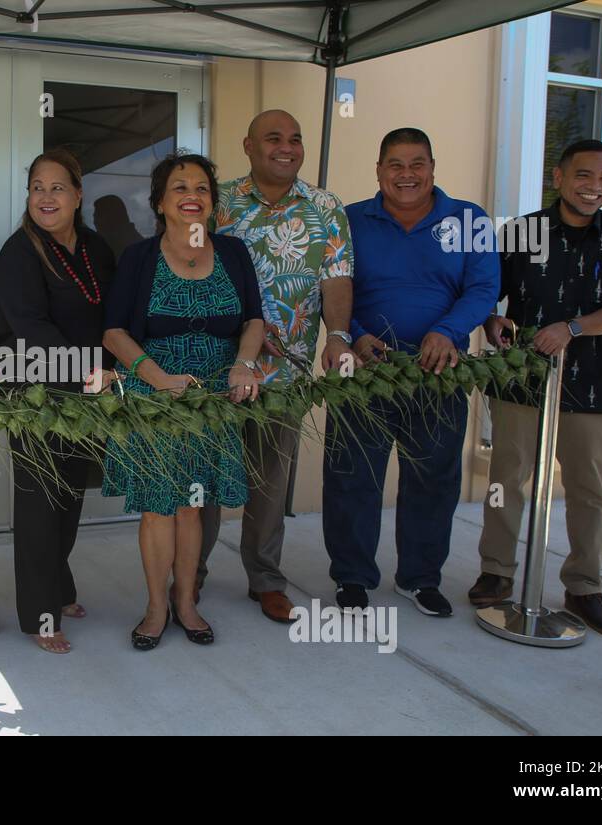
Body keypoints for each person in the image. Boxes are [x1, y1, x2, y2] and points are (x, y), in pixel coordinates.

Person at [471, 140, 602, 636]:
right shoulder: (524, 232)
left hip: (592, 382)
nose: (595, 187)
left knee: (589, 491)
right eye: (584, 176)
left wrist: (572, 328)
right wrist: (492, 323)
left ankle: (584, 586)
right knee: (506, 481)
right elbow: (490, 295)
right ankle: (497, 572)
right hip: (520, 380)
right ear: (558, 178)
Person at [326, 128, 499, 617]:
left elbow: (483, 288)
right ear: (379, 170)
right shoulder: (349, 220)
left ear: (433, 168)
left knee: (433, 478)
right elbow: (335, 287)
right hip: (365, 371)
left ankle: (420, 578)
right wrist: (355, 335)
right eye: (395, 164)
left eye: (417, 163)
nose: (407, 174)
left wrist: (447, 331)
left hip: (439, 372)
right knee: (351, 476)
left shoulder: (470, 220)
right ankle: (353, 576)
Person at [102, 151, 266, 650]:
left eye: (201, 188)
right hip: (156, 398)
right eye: (179, 187)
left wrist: (244, 364)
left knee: (193, 507)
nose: (191, 196)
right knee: (158, 508)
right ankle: (155, 608)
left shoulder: (234, 253)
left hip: (212, 397)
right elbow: (113, 332)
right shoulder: (139, 257)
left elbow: (254, 320)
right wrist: (157, 378)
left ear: (213, 203)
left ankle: (186, 602)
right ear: (159, 202)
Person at [199, 109, 356, 624]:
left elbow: (337, 277)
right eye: (273, 138)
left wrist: (337, 334)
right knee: (207, 477)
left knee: (269, 483)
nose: (286, 147)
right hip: (218, 370)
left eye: (295, 138)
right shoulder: (216, 202)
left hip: (285, 374)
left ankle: (265, 579)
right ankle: (190, 573)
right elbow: (191, 268)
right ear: (248, 145)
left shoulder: (326, 206)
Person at [0, 148, 117, 653]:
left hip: (85, 393)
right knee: (40, 504)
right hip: (36, 389)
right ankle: (40, 617)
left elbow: (110, 315)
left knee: (69, 497)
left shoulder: (94, 247)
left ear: (78, 194)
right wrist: (89, 370)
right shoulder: (19, 253)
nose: (46, 196)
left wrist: (115, 364)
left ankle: (59, 588)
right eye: (37, 187)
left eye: (57, 187)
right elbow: (30, 329)